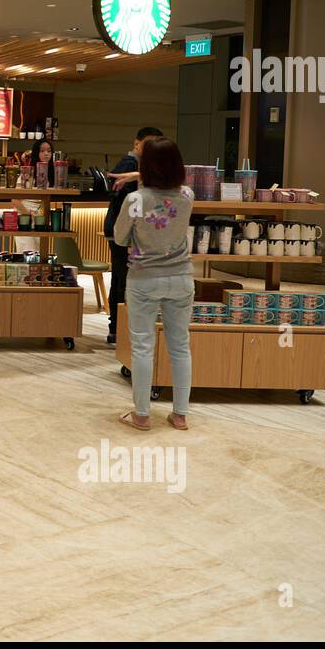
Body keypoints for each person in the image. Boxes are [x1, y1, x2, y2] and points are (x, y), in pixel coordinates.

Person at [113, 137, 194, 431]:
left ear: (145, 167)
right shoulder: (187, 195)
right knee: (180, 346)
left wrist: (138, 181)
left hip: (145, 280)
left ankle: (143, 415)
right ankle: (181, 415)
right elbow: (170, 183)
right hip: (181, 278)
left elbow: (120, 238)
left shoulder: (135, 201)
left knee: (143, 347)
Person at [103, 126, 164, 344]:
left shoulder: (137, 166)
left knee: (120, 278)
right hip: (122, 231)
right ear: (136, 143)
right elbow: (129, 202)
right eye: (147, 144)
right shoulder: (130, 164)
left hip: (120, 229)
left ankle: (116, 328)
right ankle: (118, 329)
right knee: (123, 280)